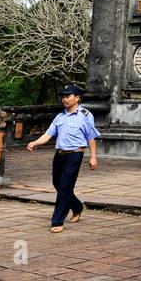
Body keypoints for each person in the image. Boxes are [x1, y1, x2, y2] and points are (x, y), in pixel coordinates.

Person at [27, 84, 100, 233]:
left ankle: (57, 221)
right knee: (58, 184)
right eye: (63, 96)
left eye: (68, 96)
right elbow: (48, 134)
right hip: (59, 155)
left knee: (65, 187)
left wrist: (93, 157)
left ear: (77, 97)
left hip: (75, 154)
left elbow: (91, 138)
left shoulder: (85, 115)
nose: (65, 99)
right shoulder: (60, 117)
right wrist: (35, 142)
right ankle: (77, 206)